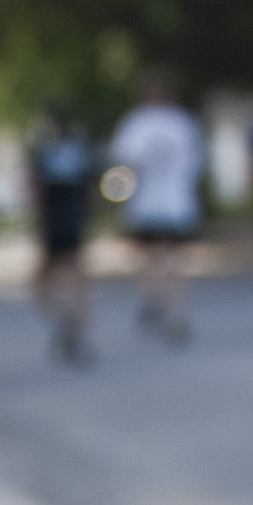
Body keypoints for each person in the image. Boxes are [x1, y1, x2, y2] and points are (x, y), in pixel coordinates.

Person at [111, 71, 207, 346]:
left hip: (165, 204)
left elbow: (125, 167)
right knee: (157, 259)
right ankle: (163, 306)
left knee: (165, 259)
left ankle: (170, 310)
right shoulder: (169, 124)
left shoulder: (154, 124)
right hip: (157, 205)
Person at [30, 106, 101, 365]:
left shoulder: (43, 151)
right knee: (77, 277)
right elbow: (90, 187)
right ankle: (78, 326)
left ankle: (63, 319)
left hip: (53, 222)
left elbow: (36, 191)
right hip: (75, 220)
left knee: (43, 278)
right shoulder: (79, 150)